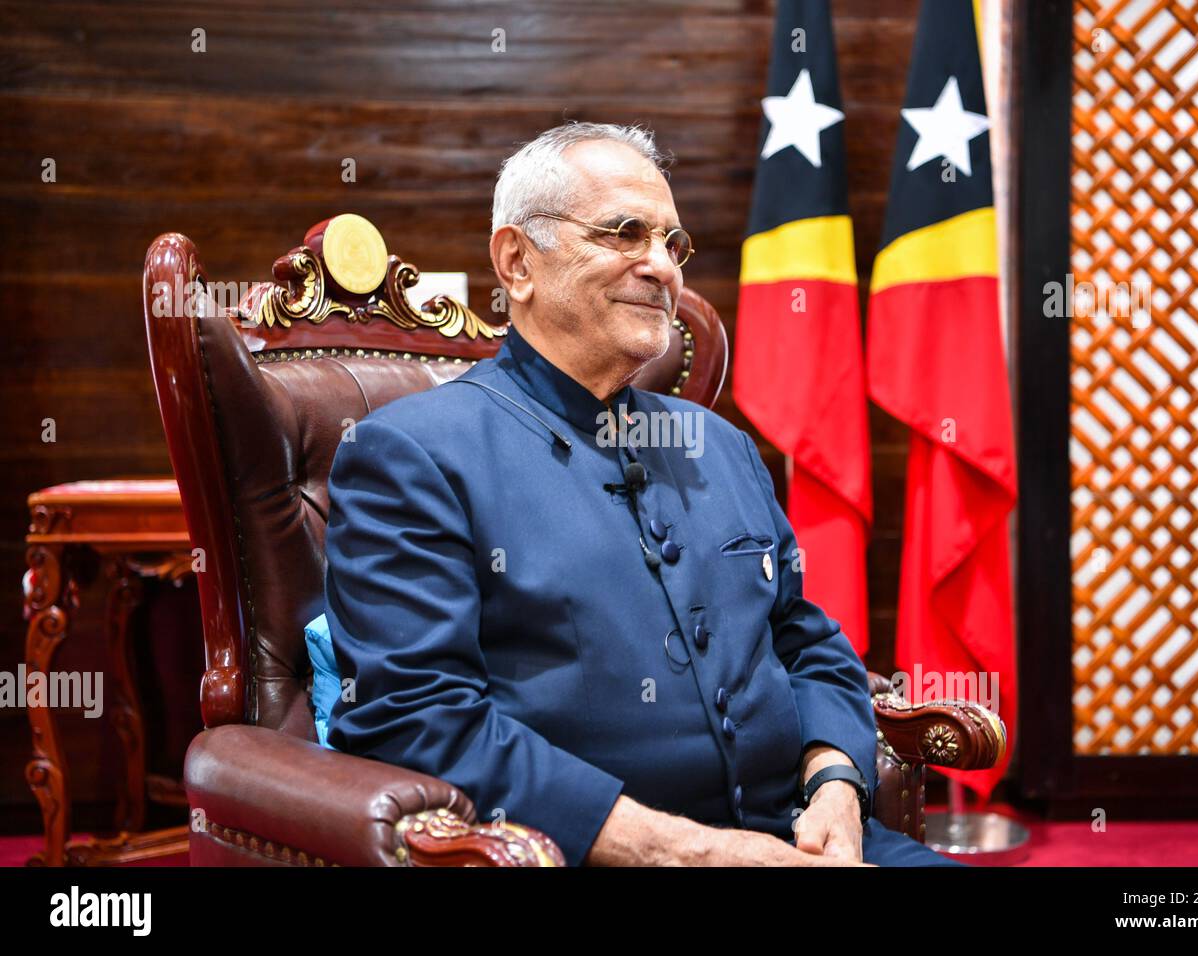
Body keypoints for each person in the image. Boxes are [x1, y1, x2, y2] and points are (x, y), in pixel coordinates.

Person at [323, 121, 964, 868]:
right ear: (517, 261)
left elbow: (805, 640)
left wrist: (836, 785)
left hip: (806, 844)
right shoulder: (413, 455)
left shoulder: (718, 445)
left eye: (673, 243)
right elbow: (421, 719)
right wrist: (686, 852)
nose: (661, 267)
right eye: (625, 233)